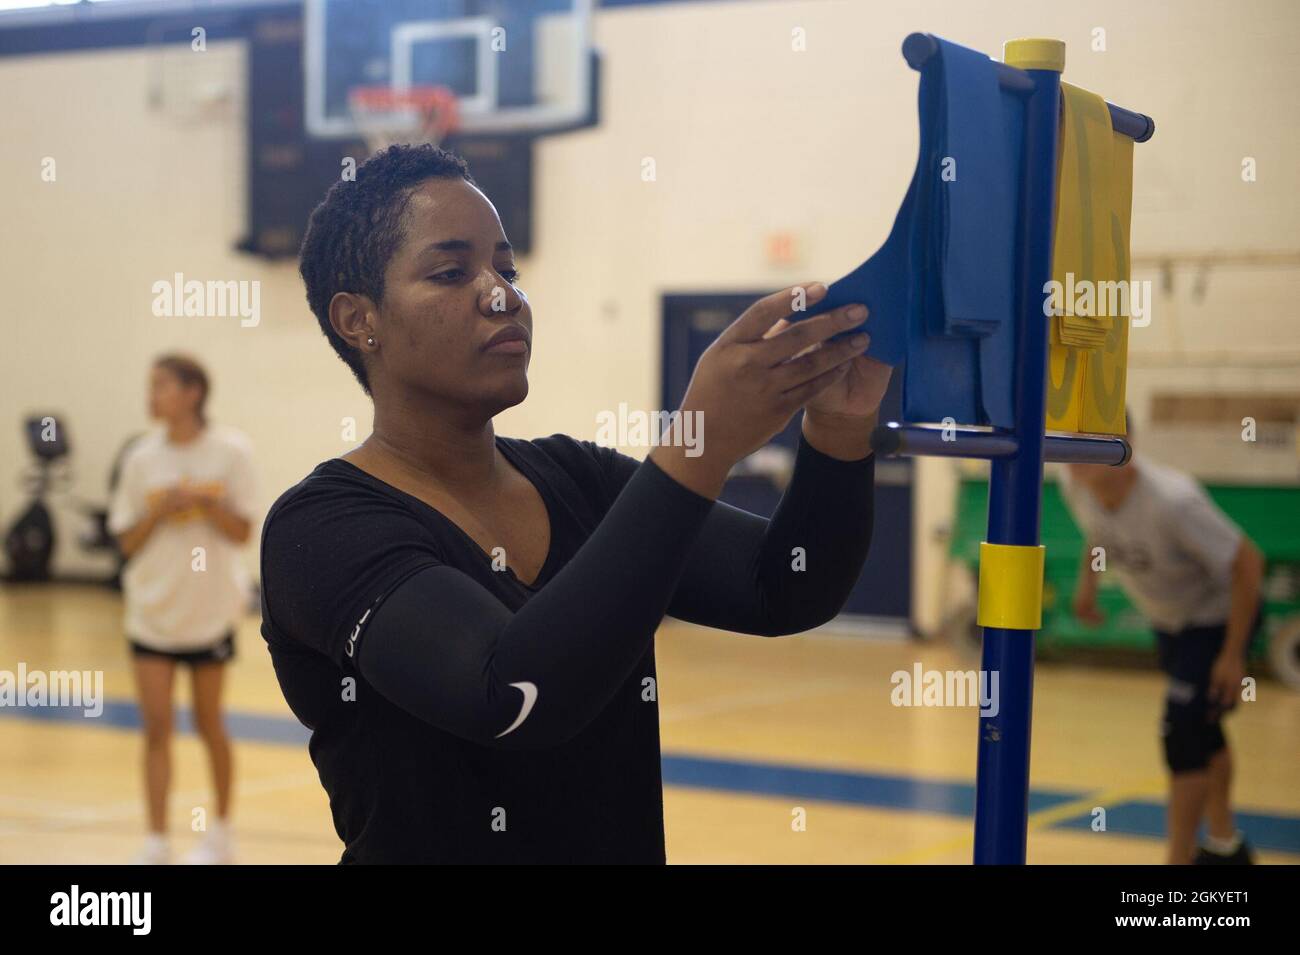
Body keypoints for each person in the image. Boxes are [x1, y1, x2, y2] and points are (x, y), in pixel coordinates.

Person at [261, 144, 893, 863]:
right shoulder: (320, 528)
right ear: (358, 319)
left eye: (508, 268)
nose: (501, 293)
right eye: (451, 271)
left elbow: (785, 585)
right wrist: (700, 446)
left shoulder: (578, 477)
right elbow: (510, 695)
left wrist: (841, 427)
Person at [1061, 417, 1263, 865]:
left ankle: (1179, 859)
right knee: (1204, 729)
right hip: (1170, 623)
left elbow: (1249, 564)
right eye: (1066, 442)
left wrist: (1232, 655)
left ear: (1122, 443)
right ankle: (1228, 844)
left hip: (1217, 618)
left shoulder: (1173, 501)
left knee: (1181, 733)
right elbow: (1098, 531)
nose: (1070, 454)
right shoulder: (1074, 481)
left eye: (1083, 443)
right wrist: (1088, 586)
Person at [109, 354, 256, 864]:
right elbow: (125, 542)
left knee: (210, 723)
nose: (153, 396)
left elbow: (242, 532)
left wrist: (205, 503)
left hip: (209, 611)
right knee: (156, 729)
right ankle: (155, 838)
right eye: (151, 386)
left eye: (162, 385)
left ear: (193, 392)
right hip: (152, 610)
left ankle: (220, 830)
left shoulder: (231, 452)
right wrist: (158, 509)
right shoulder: (139, 459)